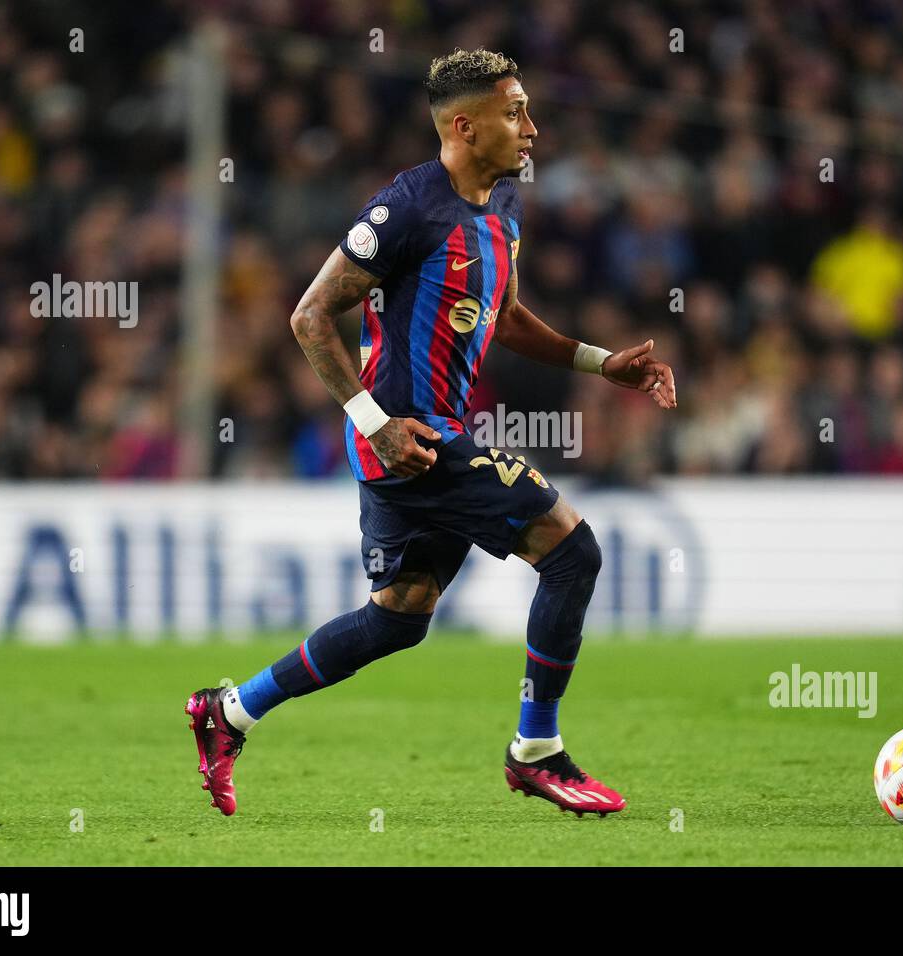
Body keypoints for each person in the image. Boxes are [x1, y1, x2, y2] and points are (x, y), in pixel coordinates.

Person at [187, 48, 677, 818]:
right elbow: (310, 316)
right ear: (464, 125)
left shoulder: (504, 204)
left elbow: (505, 316)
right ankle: (537, 750)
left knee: (397, 619)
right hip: (409, 436)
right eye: (515, 112)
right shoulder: (407, 208)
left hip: (424, 436)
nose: (533, 129)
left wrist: (600, 362)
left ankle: (230, 711)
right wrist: (376, 426)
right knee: (573, 550)